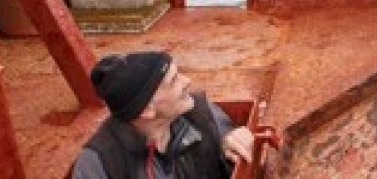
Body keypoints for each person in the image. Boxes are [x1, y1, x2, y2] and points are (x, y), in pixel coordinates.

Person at [72, 51, 254, 179]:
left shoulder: (200, 112)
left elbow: (229, 142)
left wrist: (228, 140)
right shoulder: (99, 163)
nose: (187, 82)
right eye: (174, 80)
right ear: (147, 110)